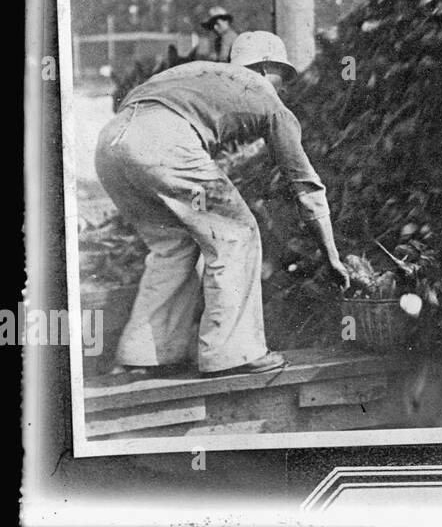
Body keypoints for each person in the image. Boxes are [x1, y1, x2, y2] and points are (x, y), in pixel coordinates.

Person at [95, 31, 349, 377]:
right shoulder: (266, 97)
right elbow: (306, 187)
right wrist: (331, 254)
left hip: (112, 141)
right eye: (282, 76)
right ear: (264, 66)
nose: (283, 87)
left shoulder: (201, 73)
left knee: (173, 245)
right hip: (164, 140)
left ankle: (144, 355)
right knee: (237, 234)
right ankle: (234, 353)